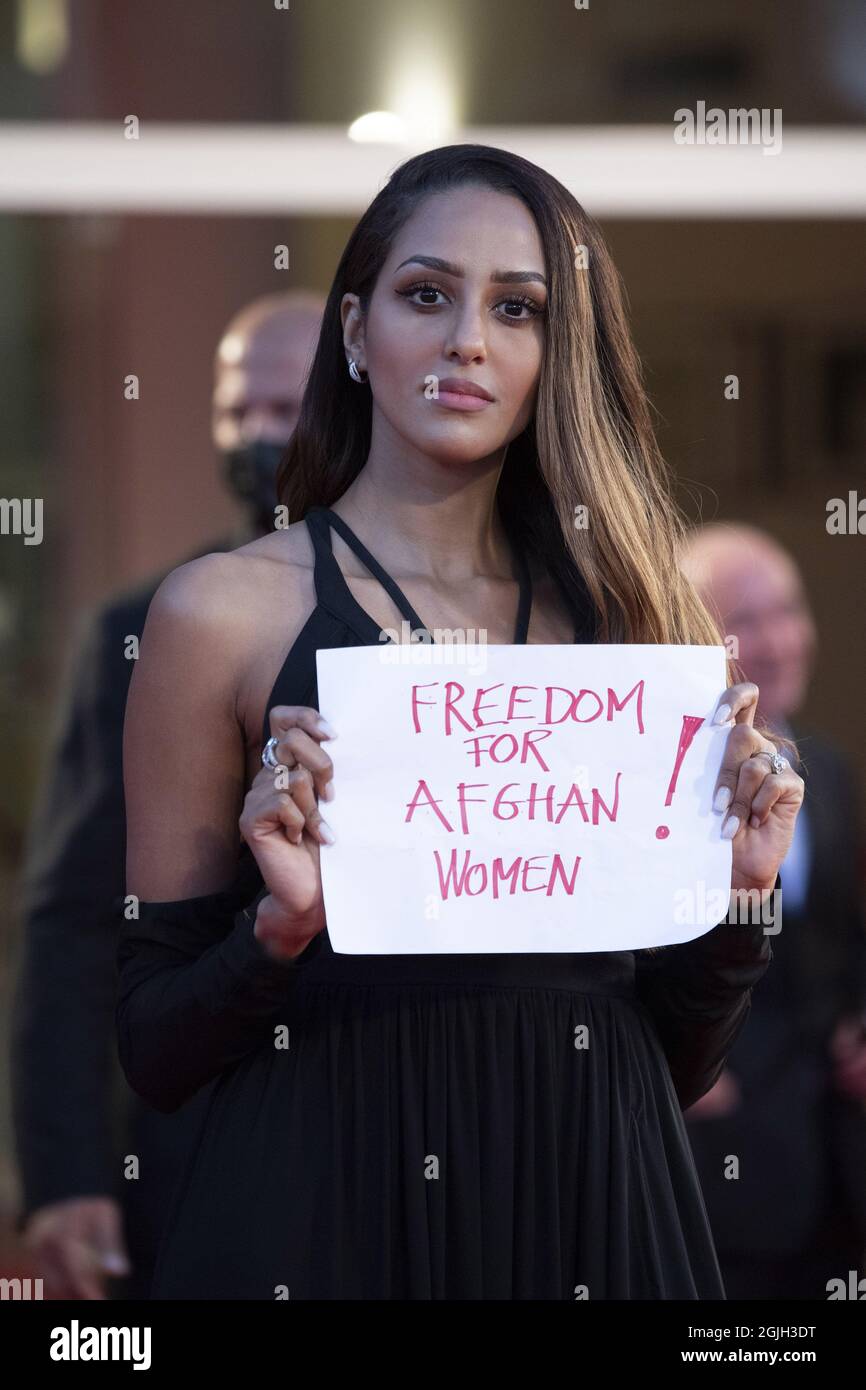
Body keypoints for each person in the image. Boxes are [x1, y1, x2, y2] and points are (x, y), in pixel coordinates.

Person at [117, 144, 804, 1300]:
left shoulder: (631, 626)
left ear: (558, 349)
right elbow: (153, 1044)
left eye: (518, 308)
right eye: (425, 294)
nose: (466, 341)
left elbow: (667, 1061)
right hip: (325, 1211)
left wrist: (736, 896)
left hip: (595, 1205)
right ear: (353, 330)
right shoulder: (219, 613)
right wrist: (276, 934)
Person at [11, 291, 324, 1300]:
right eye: (240, 413)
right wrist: (63, 1175)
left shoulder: (472, 612)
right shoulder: (146, 627)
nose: (260, 437)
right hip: (207, 1142)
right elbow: (72, 919)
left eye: (288, 407)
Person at [681, 524, 866, 1298]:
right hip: (718, 1160)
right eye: (747, 619)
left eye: (788, 611)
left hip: (834, 1160)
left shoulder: (827, 765)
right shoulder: (664, 791)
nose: (781, 641)